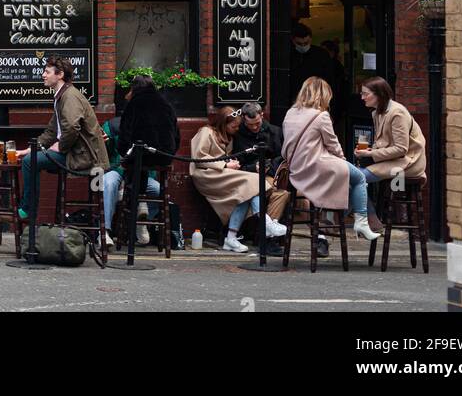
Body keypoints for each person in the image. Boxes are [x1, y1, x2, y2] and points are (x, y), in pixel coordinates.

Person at [282, 76, 379, 242]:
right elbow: (333, 145)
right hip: (316, 167)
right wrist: (344, 161)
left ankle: (334, 217)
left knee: (348, 177)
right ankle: (361, 221)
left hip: (296, 170)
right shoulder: (321, 116)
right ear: (323, 95)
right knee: (359, 177)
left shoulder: (291, 112)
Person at [17, 56, 109, 218]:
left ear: (59, 75)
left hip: (85, 158)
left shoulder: (69, 97)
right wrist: (28, 150)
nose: (43, 75)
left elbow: (72, 127)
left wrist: (60, 146)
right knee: (29, 158)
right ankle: (30, 211)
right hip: (76, 153)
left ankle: (28, 210)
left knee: (29, 163)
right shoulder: (62, 97)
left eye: (47, 72)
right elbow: (51, 132)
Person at [190, 107, 288, 253]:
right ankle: (265, 223)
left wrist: (232, 163)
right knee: (254, 180)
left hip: (221, 172)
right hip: (206, 175)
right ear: (223, 123)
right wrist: (226, 164)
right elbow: (198, 158)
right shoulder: (206, 132)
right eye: (233, 126)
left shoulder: (228, 137)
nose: (236, 129)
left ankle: (231, 238)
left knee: (246, 194)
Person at [103, 75, 180, 240]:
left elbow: (125, 140)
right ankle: (119, 225)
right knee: (111, 181)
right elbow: (177, 136)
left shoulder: (134, 105)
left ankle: (139, 221)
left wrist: (126, 154)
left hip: (135, 161)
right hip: (160, 159)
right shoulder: (166, 105)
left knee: (140, 173)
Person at [355, 76, 427, 191]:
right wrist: (366, 152)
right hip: (390, 161)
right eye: (361, 94)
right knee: (348, 174)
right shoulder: (377, 113)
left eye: (365, 94)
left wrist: (370, 154)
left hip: (407, 163)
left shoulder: (397, 113)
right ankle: (368, 209)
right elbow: (379, 142)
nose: (362, 97)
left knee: (354, 177)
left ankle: (363, 210)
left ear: (379, 94)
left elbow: (401, 149)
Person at [288, 23, 345, 115]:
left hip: (316, 102)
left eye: (306, 43)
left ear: (310, 39)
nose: (303, 46)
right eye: (299, 43)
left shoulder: (321, 55)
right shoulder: (289, 54)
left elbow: (330, 81)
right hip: (295, 100)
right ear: (293, 40)